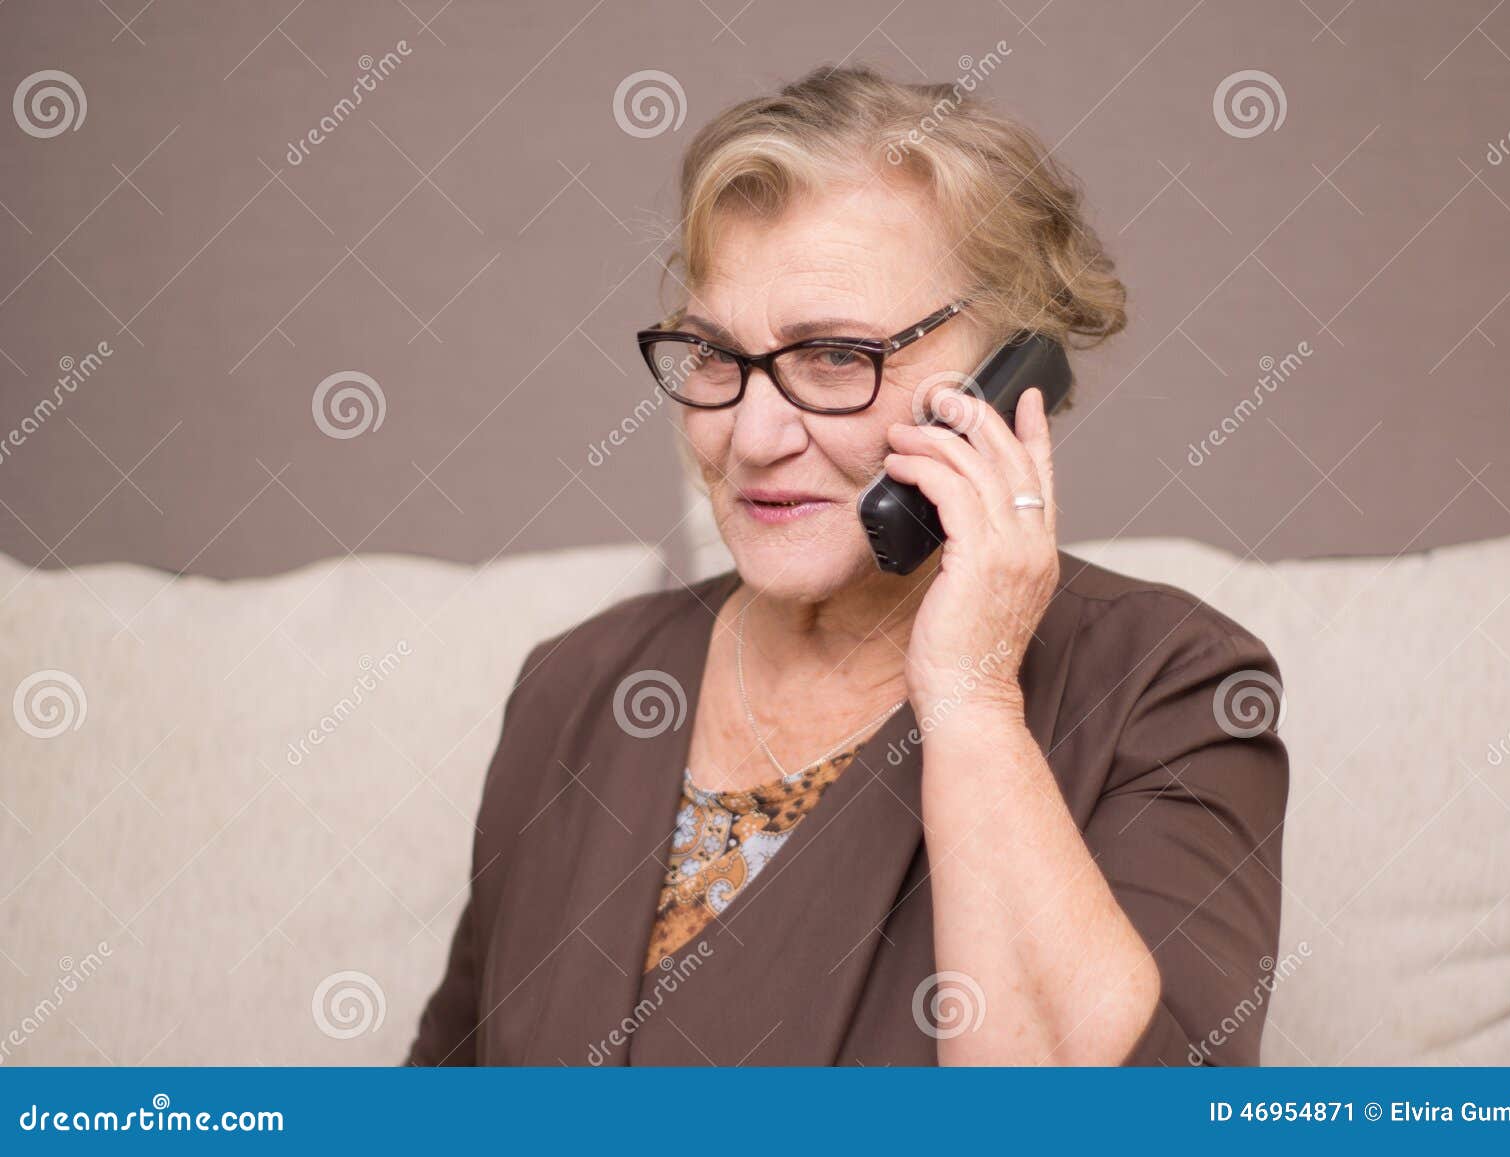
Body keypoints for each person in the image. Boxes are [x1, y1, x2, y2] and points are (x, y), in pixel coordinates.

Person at [405, 62, 1289, 1067]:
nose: (751, 434)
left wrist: (970, 695)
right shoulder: (577, 684)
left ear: (1009, 378)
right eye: (714, 357)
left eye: (834, 356)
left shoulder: (1171, 688)